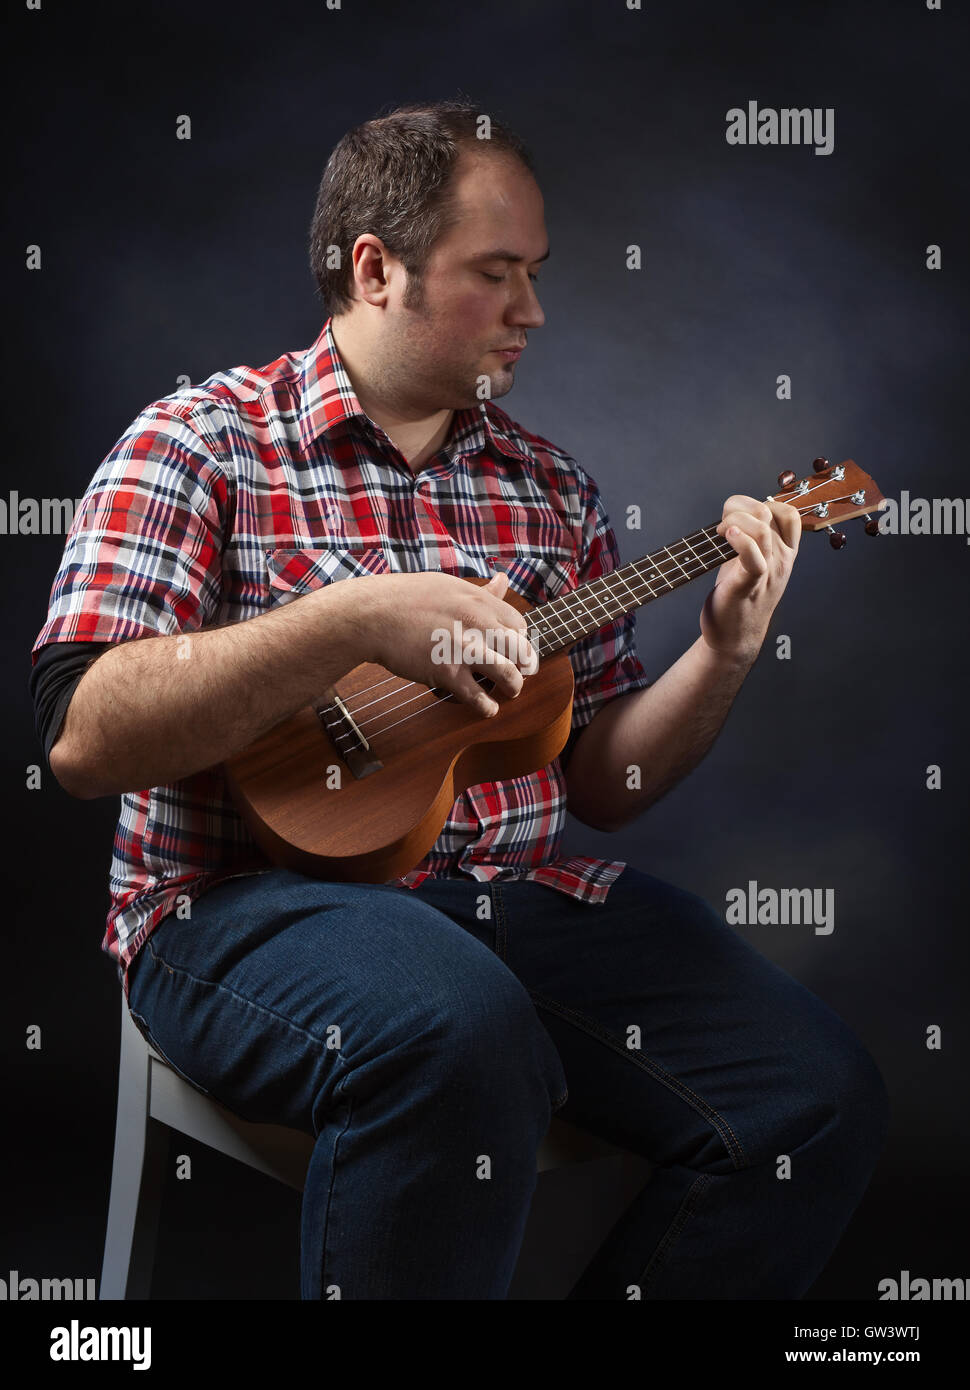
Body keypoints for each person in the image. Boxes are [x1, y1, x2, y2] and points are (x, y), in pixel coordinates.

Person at [30, 99, 889, 1300]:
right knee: (457, 1028)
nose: (533, 312)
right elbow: (81, 736)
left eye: (535, 274)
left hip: (505, 905)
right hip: (243, 908)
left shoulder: (549, 488)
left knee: (814, 1088)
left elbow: (607, 780)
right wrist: (357, 618)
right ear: (376, 269)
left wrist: (724, 653)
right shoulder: (197, 443)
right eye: (497, 274)